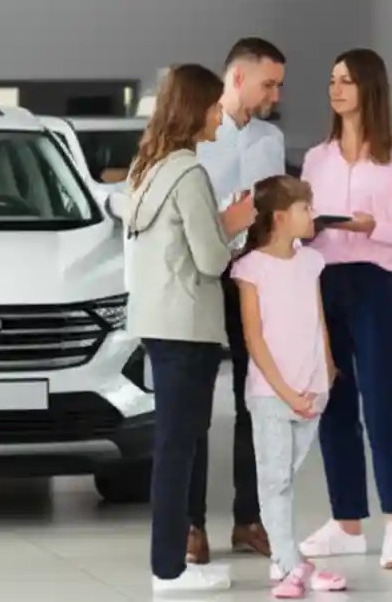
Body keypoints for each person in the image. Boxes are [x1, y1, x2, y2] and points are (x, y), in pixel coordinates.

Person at [125, 63, 257, 594]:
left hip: (158, 321)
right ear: (195, 109)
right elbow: (208, 260)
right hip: (189, 327)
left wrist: (216, 225)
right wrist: (238, 226)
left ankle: (172, 562)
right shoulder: (189, 173)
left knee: (173, 443)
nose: (220, 120)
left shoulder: (147, 168)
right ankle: (169, 570)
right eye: (213, 109)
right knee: (178, 448)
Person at [298, 48, 392, 569]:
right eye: (331, 80)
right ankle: (346, 521)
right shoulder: (316, 157)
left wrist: (372, 227)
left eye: (346, 81)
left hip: (375, 282)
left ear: (369, 87)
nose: (336, 89)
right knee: (335, 403)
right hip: (323, 282)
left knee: (383, 403)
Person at [188, 36, 288, 563]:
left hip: (254, 280)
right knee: (196, 407)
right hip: (204, 277)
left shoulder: (272, 139)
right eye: (268, 83)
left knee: (255, 403)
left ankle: (249, 519)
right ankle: (192, 526)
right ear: (238, 78)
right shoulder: (195, 138)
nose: (274, 95)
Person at [230, 175, 348, 599]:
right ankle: (290, 563)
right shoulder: (250, 268)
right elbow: (254, 338)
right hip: (271, 394)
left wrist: (327, 371)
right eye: (305, 208)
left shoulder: (311, 263)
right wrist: (284, 392)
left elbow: (317, 320)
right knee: (275, 479)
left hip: (313, 388)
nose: (311, 215)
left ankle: (287, 559)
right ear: (280, 217)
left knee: (286, 475)